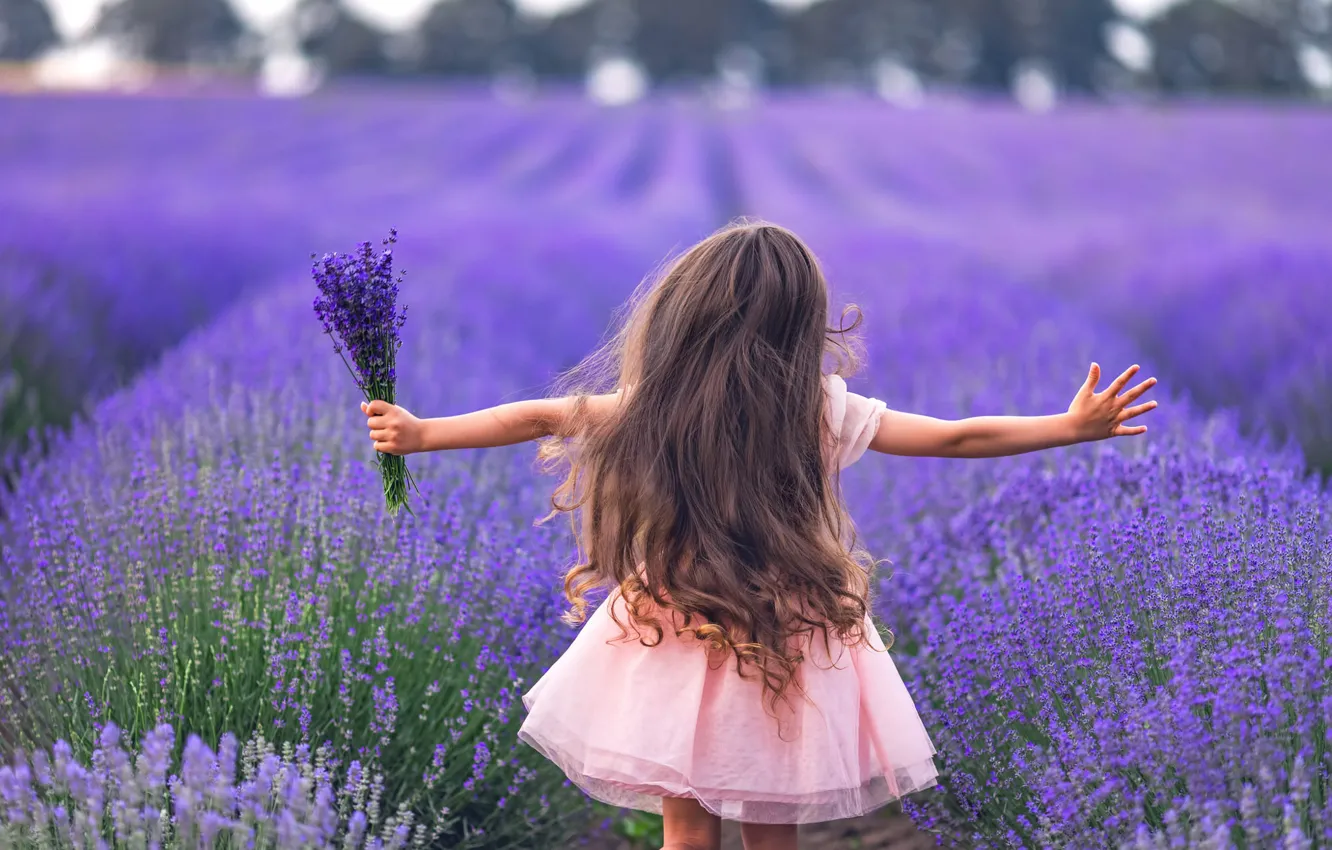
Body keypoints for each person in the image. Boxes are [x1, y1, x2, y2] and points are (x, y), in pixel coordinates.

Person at [360, 221, 1158, 850]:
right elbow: (955, 439)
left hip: (671, 616)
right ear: (800, 322)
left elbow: (536, 415)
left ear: (683, 315)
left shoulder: (655, 403)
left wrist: (424, 432)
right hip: (789, 627)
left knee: (686, 827)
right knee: (776, 821)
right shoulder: (822, 408)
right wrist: (1070, 426)